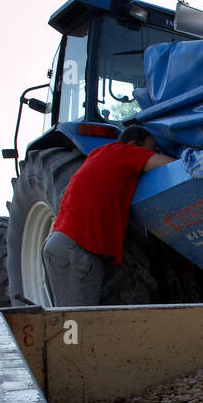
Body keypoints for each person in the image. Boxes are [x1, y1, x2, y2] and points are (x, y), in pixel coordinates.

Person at [41, 124, 173, 306]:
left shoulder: (99, 154)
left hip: (64, 246)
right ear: (134, 144)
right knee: (77, 326)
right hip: (76, 251)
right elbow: (171, 166)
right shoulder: (125, 151)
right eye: (151, 150)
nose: (152, 154)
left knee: (72, 322)